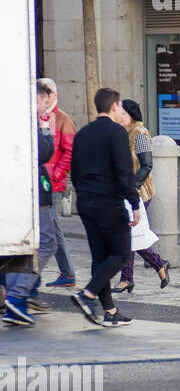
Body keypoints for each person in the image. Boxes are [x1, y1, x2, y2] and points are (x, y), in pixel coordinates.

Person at [68, 88, 140, 327]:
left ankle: (110, 311)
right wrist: (135, 202)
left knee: (100, 258)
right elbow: (124, 172)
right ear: (113, 106)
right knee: (120, 254)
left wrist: (83, 195)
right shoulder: (117, 133)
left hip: (86, 203)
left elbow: (75, 171)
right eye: (120, 106)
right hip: (108, 202)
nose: (122, 111)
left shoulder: (83, 133)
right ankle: (86, 294)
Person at [2, 105, 56, 325]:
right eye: (50, 96)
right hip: (30, 191)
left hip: (17, 190)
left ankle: (16, 298)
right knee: (47, 242)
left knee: (18, 243)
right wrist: (45, 129)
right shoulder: (26, 117)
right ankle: (17, 296)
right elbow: (44, 152)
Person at [112, 99, 171, 293]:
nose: (119, 116)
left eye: (123, 113)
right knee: (131, 234)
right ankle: (158, 265)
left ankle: (130, 277)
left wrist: (133, 188)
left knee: (131, 235)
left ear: (131, 115)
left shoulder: (140, 134)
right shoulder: (123, 133)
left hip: (139, 192)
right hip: (126, 191)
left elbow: (147, 165)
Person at [36, 78, 78, 288]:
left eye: (48, 92)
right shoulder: (38, 117)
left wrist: (56, 175)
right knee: (50, 228)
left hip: (51, 182)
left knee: (51, 228)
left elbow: (69, 152)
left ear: (55, 95)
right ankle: (67, 272)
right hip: (42, 181)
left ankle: (68, 273)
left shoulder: (62, 119)